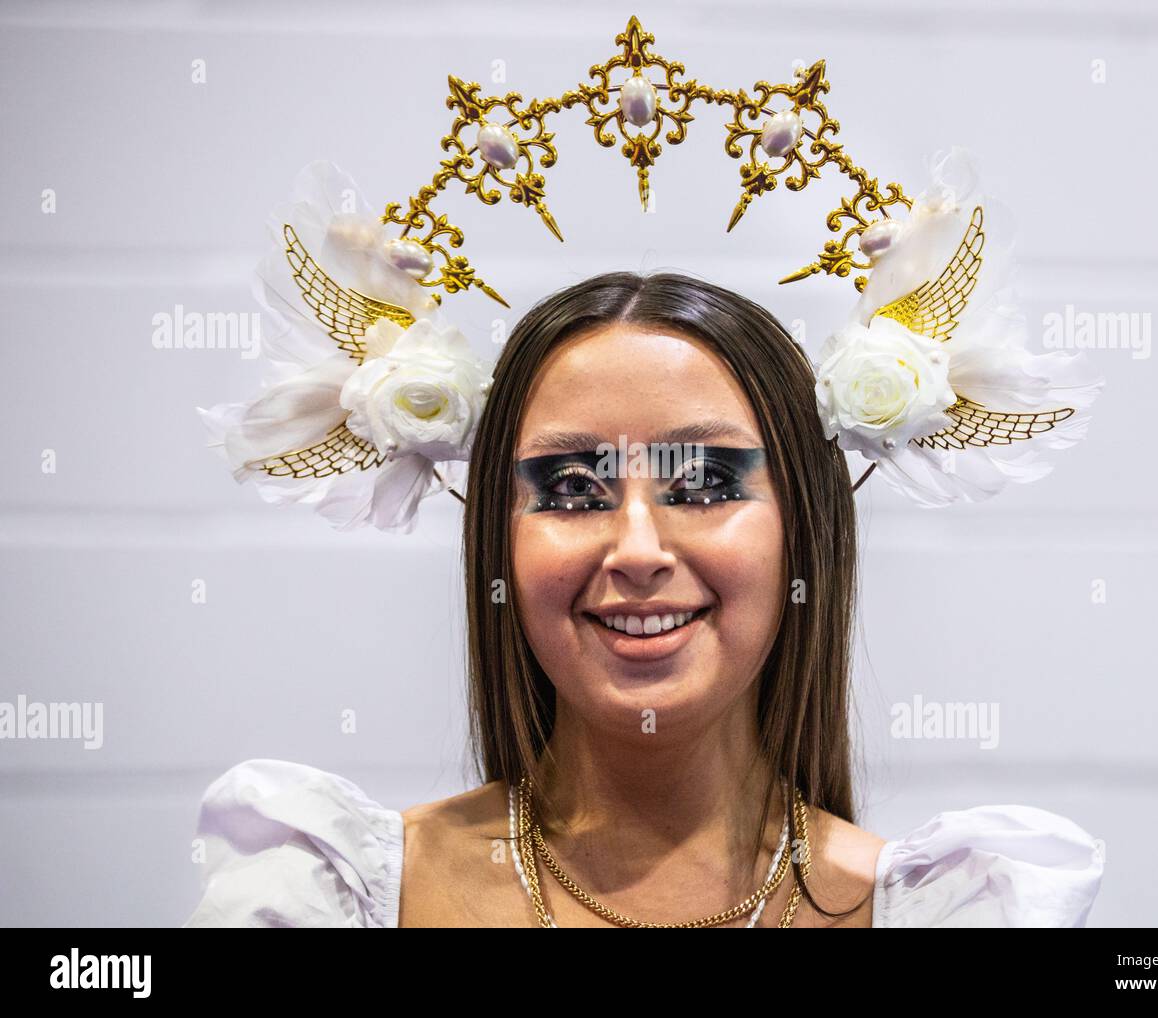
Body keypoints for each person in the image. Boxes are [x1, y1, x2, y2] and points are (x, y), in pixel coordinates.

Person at [183, 272, 1105, 928]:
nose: (635, 549)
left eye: (702, 481)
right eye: (574, 489)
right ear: (497, 540)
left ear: (805, 532)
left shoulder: (946, 911)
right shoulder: (338, 896)